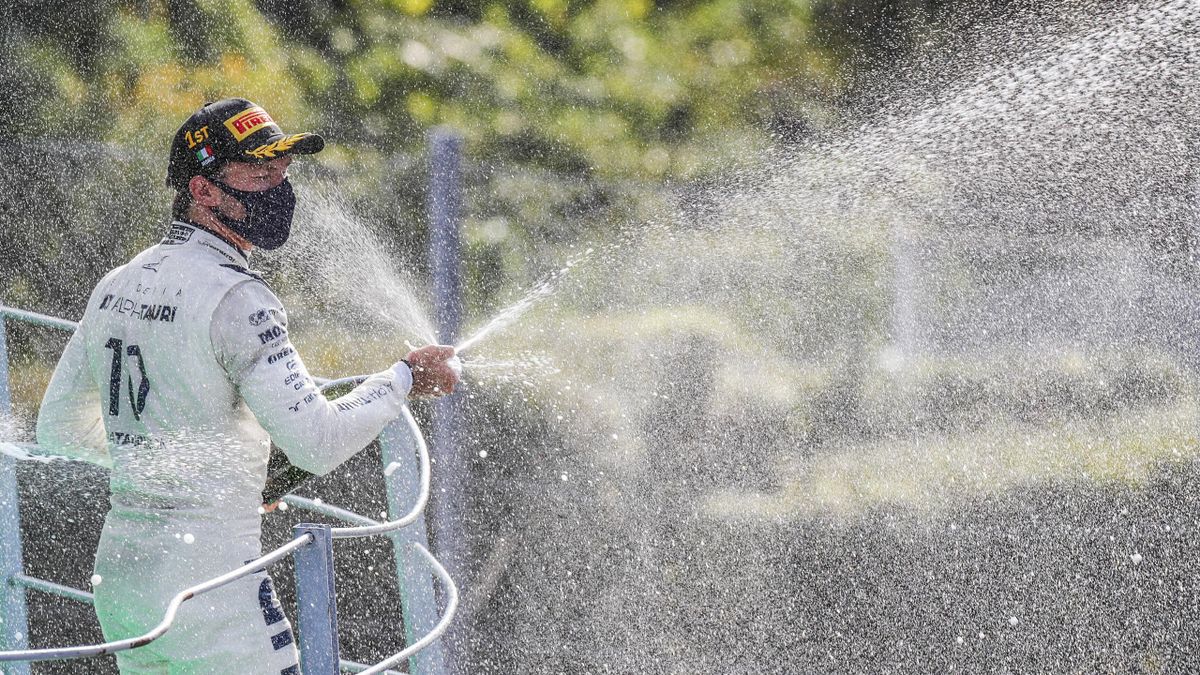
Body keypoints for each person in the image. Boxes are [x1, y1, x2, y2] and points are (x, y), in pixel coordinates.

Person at [35, 97, 459, 674]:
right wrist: (404, 378)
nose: (279, 187)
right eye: (259, 173)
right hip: (212, 584)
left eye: (283, 171)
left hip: (122, 578)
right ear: (203, 191)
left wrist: (193, 469)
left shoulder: (117, 282)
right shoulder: (239, 297)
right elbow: (316, 441)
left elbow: (57, 430)